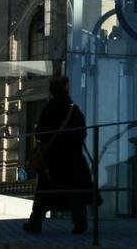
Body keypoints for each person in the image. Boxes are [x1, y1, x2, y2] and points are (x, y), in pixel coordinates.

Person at [23, 76, 93, 234]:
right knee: (75, 192)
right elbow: (82, 132)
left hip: (52, 159)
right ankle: (80, 223)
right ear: (66, 88)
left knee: (44, 192)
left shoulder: (49, 108)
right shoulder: (73, 109)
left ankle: (35, 223)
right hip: (72, 158)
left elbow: (40, 132)